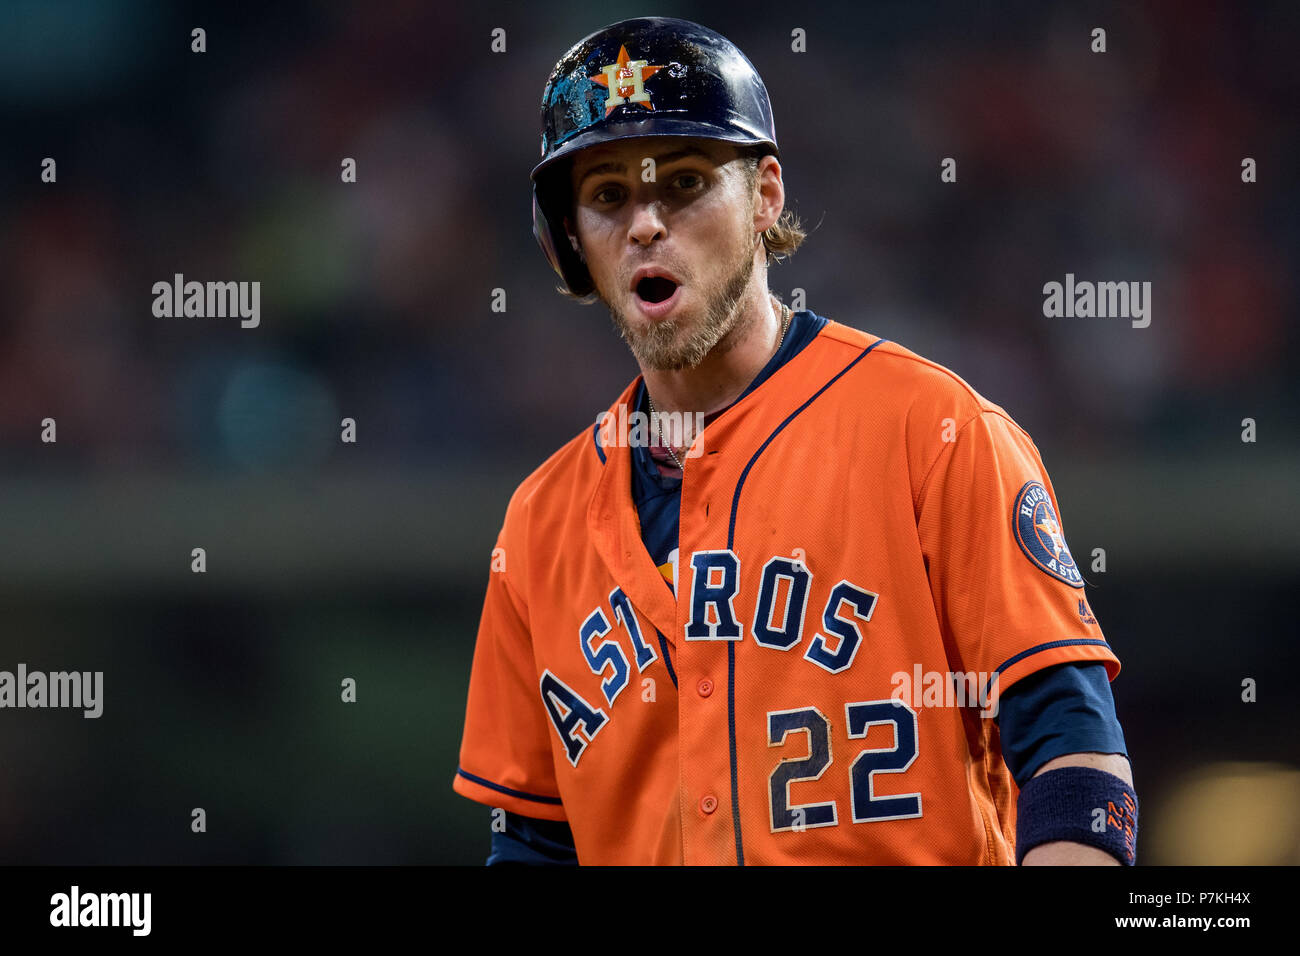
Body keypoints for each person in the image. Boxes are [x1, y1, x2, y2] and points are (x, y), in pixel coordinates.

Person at [453, 16, 1137, 865]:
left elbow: (1077, 767)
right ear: (568, 244)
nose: (645, 226)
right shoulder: (538, 525)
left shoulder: (934, 433)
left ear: (766, 195)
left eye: (687, 183)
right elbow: (532, 846)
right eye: (607, 197)